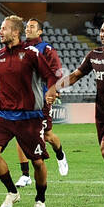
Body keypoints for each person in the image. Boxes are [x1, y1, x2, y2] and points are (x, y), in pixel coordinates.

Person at [0, 16, 62, 207]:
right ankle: (12, 192)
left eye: (3, 28)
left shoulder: (31, 53)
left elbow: (49, 75)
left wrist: (51, 91)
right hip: (5, 115)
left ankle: (40, 199)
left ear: (15, 32)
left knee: (38, 162)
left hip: (30, 116)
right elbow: (1, 84)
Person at [45, 20, 104, 207]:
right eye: (102, 31)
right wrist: (55, 87)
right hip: (101, 115)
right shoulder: (94, 55)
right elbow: (75, 75)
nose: (103, 34)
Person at [15, 18, 68, 185]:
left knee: (47, 135)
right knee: (20, 134)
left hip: (42, 99)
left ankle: (60, 154)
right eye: (27, 27)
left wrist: (55, 90)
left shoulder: (46, 49)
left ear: (40, 32)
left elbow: (57, 71)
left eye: (32, 27)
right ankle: (25, 175)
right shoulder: (20, 48)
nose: (28, 29)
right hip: (22, 99)